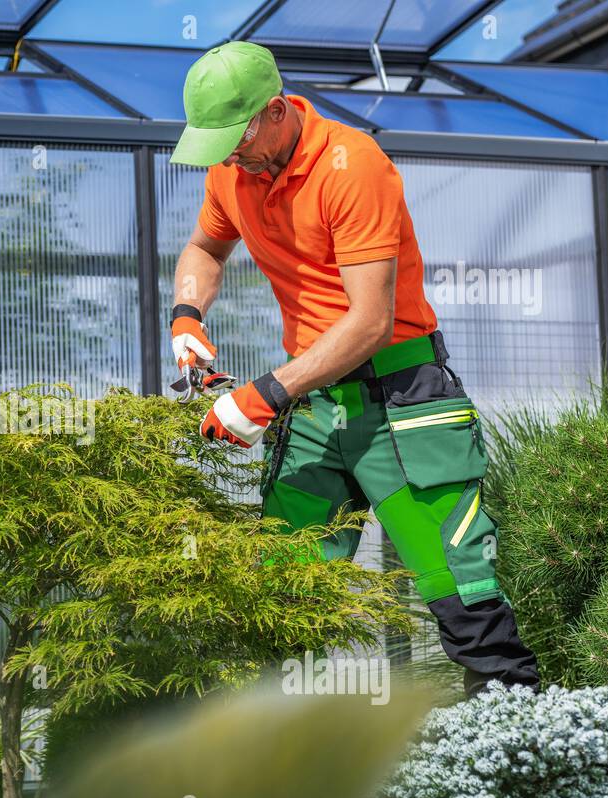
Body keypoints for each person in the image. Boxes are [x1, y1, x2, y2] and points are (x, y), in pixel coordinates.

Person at [169, 41, 539, 696]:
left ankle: (523, 749)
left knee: (464, 598)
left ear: (276, 111)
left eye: (235, 140)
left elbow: (369, 324)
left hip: (400, 400)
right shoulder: (232, 172)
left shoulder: (352, 164)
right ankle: (285, 755)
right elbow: (205, 247)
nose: (228, 157)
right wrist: (187, 316)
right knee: (280, 599)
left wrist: (262, 396)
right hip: (313, 404)